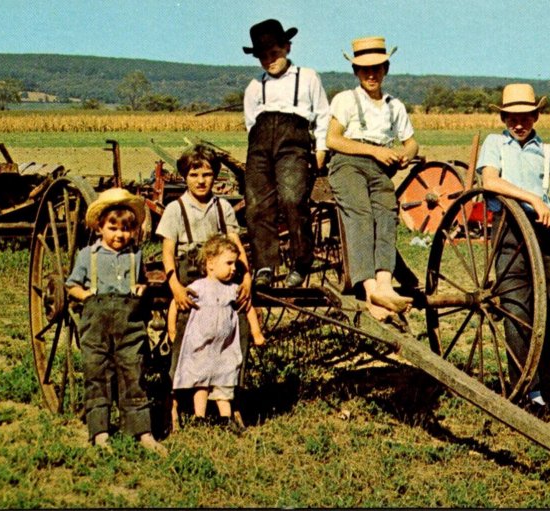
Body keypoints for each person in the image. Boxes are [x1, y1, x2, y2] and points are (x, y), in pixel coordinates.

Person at [477, 83, 550, 415]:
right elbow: (489, 182)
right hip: (511, 231)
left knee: (545, 312)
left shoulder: (547, 152)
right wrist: (531, 198)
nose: (519, 123)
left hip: (546, 233)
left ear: (535, 116)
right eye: (512, 117)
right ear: (503, 117)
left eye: (525, 117)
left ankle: (540, 386)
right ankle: (523, 389)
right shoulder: (495, 144)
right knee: (517, 311)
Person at [155, 144, 265, 429]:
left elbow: (236, 245)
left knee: (237, 325)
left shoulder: (223, 206)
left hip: (222, 272)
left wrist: (247, 277)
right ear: (184, 177)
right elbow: (168, 251)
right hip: (189, 275)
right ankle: (175, 401)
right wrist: (175, 287)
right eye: (194, 174)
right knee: (182, 333)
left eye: (207, 174)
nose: (201, 180)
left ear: (215, 176)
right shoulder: (175, 209)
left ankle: (232, 399)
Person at [65, 188, 167, 455]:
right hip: (96, 323)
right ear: (100, 227)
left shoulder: (136, 255)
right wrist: (87, 295)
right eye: (113, 228)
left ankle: (142, 430)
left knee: (134, 371)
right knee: (96, 371)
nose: (119, 235)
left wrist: (142, 289)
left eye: (126, 229)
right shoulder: (89, 255)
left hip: (129, 322)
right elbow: (72, 285)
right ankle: (99, 431)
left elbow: (142, 281)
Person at [325, 36, 419, 322]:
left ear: (385, 69)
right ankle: (368, 290)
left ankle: (384, 284)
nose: (371, 74)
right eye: (365, 69)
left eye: (377, 68)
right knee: (361, 215)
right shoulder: (346, 100)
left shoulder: (395, 106)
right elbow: (333, 139)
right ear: (356, 72)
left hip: (380, 170)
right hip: (347, 164)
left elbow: (412, 142)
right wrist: (375, 151)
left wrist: (404, 153)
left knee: (387, 215)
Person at [242, 18, 331, 288]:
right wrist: (259, 147)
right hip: (260, 145)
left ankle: (301, 262)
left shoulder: (308, 78)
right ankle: (265, 266)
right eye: (263, 56)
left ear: (287, 48)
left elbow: (323, 115)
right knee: (257, 205)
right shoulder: (255, 87)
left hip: (294, 141)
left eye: (274, 53)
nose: (270, 60)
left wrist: (321, 148)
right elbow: (250, 124)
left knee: (292, 198)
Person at [169, 235, 264, 429]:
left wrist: (256, 332)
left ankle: (225, 418)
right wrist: (171, 329)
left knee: (225, 379)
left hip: (225, 346)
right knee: (201, 381)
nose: (234, 269)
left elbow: (248, 308)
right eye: (229, 263)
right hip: (202, 344)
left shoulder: (233, 289)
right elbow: (175, 303)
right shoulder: (199, 287)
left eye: (235, 264)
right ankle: (200, 416)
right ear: (210, 263)